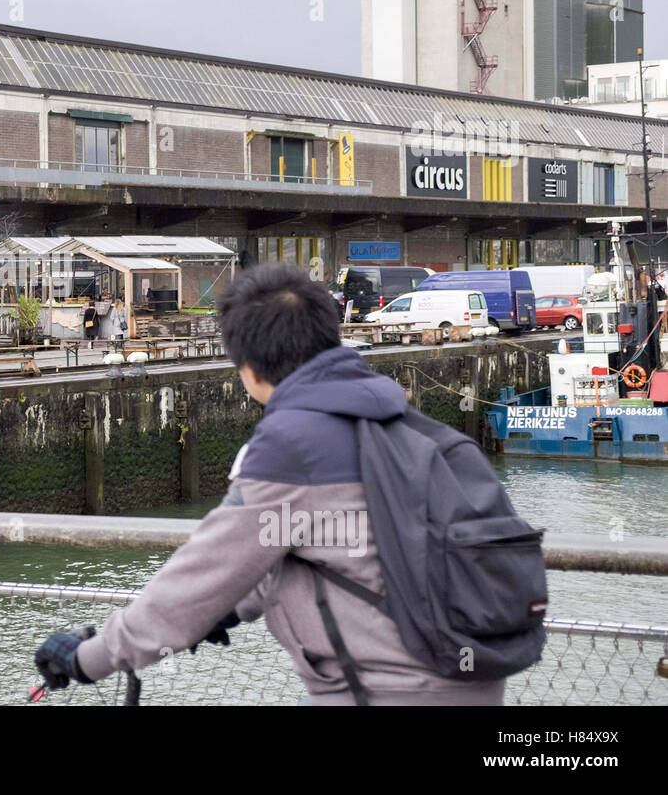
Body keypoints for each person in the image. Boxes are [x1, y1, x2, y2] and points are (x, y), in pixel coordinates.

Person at [35, 263, 516, 705]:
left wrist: (90, 656)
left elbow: (203, 575)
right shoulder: (405, 426)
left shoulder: (294, 445)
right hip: (471, 682)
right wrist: (226, 608)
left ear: (249, 369)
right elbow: (330, 550)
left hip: (384, 691)